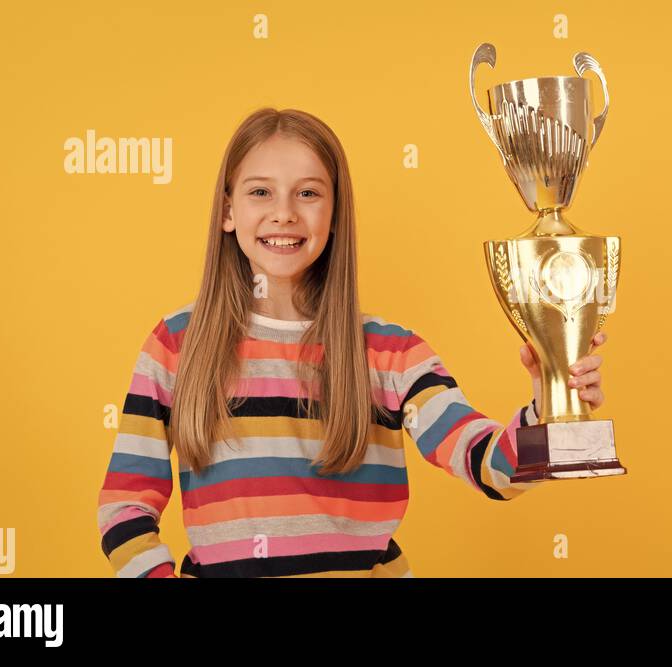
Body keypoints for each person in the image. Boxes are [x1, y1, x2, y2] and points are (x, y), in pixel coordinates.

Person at [95, 107, 608, 577]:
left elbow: (490, 466)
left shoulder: (392, 352)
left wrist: (551, 401)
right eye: (260, 192)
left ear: (336, 214)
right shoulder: (177, 345)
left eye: (309, 193)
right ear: (227, 211)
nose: (284, 213)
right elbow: (125, 508)